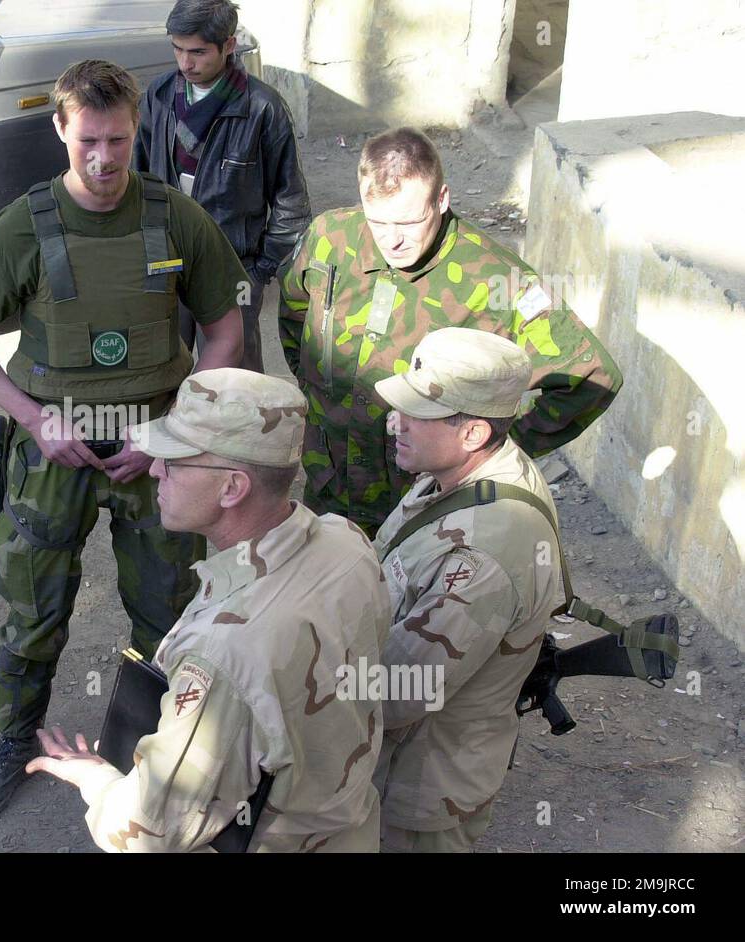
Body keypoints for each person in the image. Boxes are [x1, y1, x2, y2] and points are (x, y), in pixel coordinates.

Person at [0, 59, 249, 822]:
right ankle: (15, 742)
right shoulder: (24, 225)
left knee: (169, 610)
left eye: (117, 139)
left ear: (137, 128)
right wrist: (31, 416)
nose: (105, 159)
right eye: (88, 141)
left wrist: (178, 430)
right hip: (54, 453)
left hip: (158, 452)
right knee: (32, 609)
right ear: (59, 129)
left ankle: (148, 750)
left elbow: (226, 326)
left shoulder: (175, 218)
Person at [26, 368, 390, 852]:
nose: (154, 470)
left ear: (232, 488)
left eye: (173, 462)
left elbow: (148, 833)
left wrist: (96, 779)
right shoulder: (344, 540)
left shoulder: (224, 653)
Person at [276, 126, 622, 536]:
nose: (393, 240)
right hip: (329, 489)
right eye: (378, 222)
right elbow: (295, 313)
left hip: (425, 509)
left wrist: (486, 454)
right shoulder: (330, 238)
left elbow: (591, 376)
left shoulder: (495, 279)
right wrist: (319, 391)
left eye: (408, 221)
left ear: (441, 200)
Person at [370, 328, 563, 852]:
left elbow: (393, 694)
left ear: (474, 432)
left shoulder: (483, 557)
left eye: (415, 413)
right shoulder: (461, 468)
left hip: (414, 794)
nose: (396, 423)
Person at [134, 0, 310, 372]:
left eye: (197, 52)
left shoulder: (263, 108)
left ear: (229, 46)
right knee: (163, 371)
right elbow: (139, 176)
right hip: (167, 261)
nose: (185, 63)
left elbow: (290, 201)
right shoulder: (160, 95)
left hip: (234, 270)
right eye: (177, 49)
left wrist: (260, 271)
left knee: (235, 384)